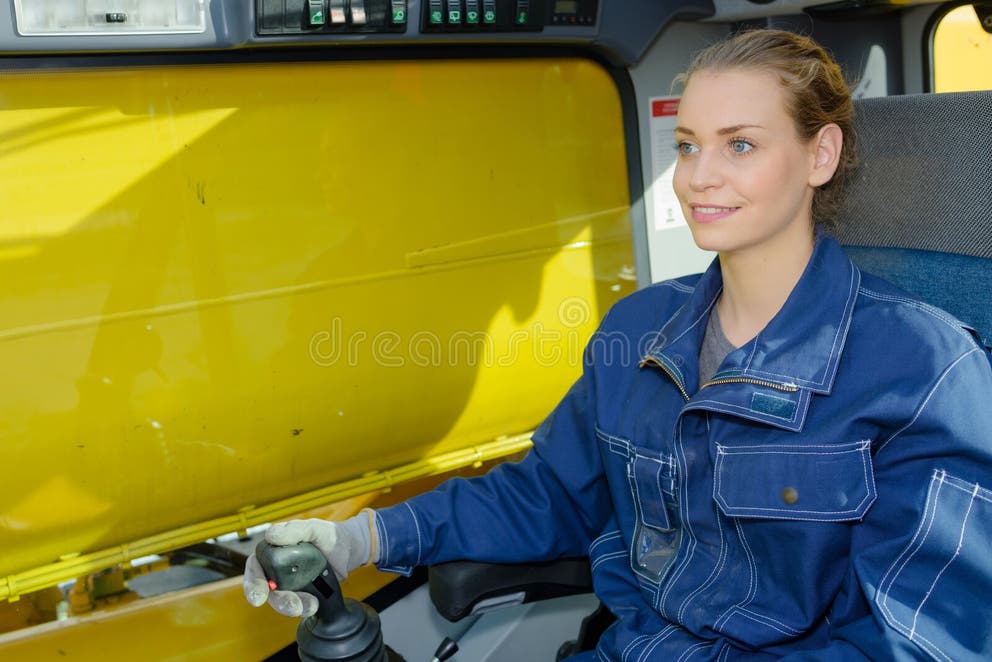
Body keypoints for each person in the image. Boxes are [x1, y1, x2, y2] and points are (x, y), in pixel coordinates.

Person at [244, 29, 992, 660]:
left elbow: (920, 640)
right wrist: (361, 537)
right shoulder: (637, 334)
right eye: (689, 144)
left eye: (740, 145)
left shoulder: (923, 370)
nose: (700, 178)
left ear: (820, 156)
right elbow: (545, 495)